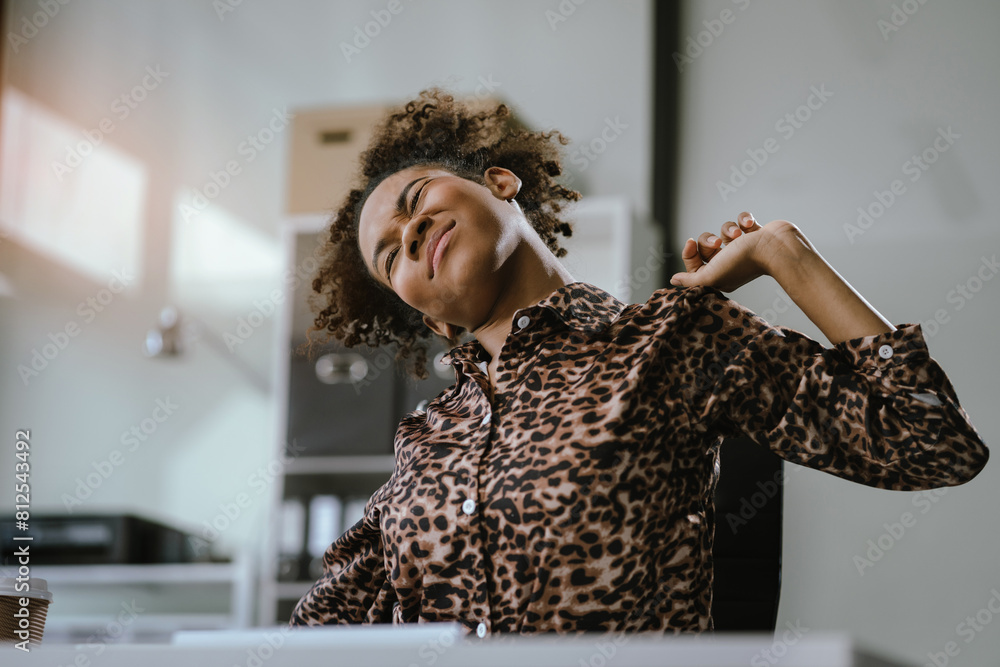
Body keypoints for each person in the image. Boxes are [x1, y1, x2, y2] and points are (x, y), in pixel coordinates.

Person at [288, 88, 989, 636]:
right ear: (430, 315)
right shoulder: (424, 437)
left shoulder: (668, 341)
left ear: (500, 182)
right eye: (391, 256)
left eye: (416, 202)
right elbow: (320, 630)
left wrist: (785, 252)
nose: (409, 233)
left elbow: (933, 443)